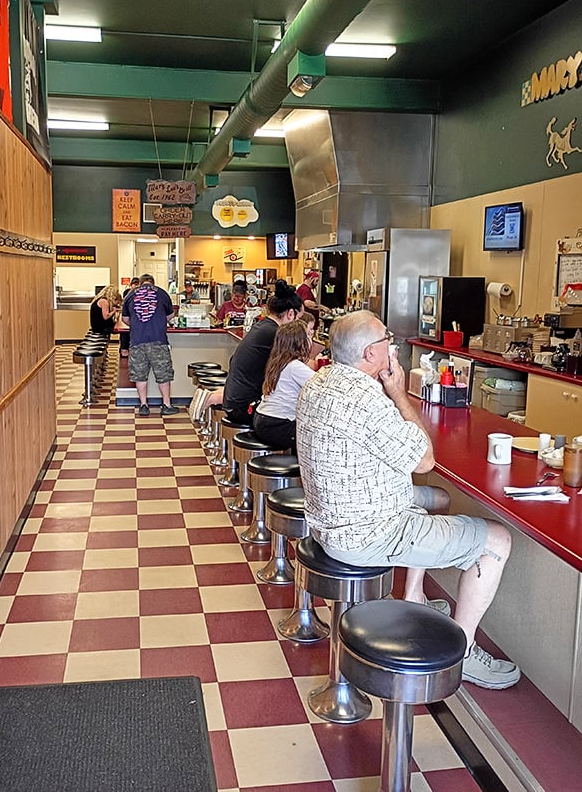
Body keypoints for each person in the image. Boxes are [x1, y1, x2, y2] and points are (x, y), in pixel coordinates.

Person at [296, 310, 521, 690]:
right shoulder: (366, 400)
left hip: (329, 517)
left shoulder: (319, 382)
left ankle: (414, 594)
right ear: (370, 354)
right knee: (497, 540)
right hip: (367, 532)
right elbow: (424, 460)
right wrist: (398, 392)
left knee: (438, 498)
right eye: (387, 339)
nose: (393, 345)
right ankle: (463, 652)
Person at [222, 279, 303, 425]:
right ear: (290, 314)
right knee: (295, 419)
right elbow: (292, 366)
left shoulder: (263, 326)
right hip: (244, 407)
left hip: (234, 401)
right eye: (299, 319)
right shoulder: (275, 333)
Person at [121, 274, 179, 417]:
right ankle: (166, 405)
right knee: (163, 374)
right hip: (158, 339)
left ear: (140, 283)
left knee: (140, 375)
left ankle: (143, 405)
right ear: (153, 283)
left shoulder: (130, 295)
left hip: (137, 340)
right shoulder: (162, 293)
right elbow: (170, 316)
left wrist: (138, 324)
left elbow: (125, 319)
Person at [253, 320, 315, 452]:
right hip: (277, 424)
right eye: (309, 335)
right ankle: (298, 464)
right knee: (315, 437)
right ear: (300, 342)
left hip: (262, 419)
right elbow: (322, 385)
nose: (311, 339)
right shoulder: (295, 366)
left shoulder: (278, 362)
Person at [119, 277, 140, 358]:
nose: (136, 286)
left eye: (137, 284)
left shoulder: (141, 292)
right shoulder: (127, 292)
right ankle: (124, 348)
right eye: (134, 284)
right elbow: (123, 302)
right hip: (128, 314)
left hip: (137, 315)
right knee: (124, 331)